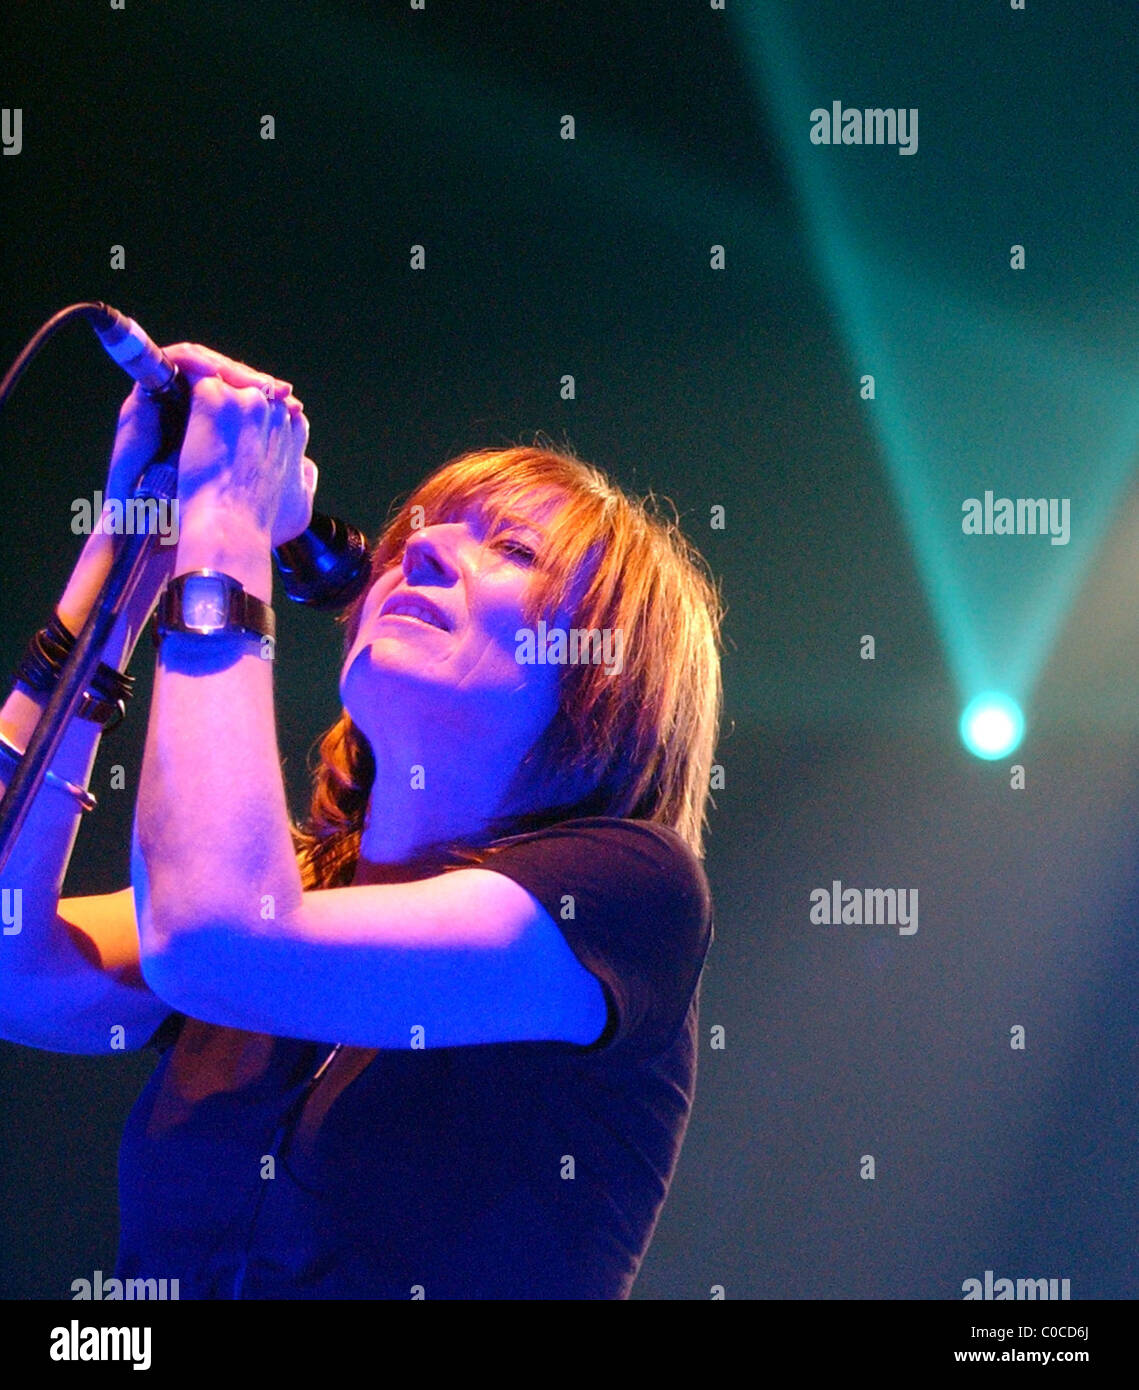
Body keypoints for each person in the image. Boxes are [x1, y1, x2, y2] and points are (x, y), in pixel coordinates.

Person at [0, 343, 723, 1299]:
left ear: (604, 675)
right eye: (423, 529)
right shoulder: (298, 881)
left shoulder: (633, 896)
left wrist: (225, 527)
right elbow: (16, 965)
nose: (420, 545)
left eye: (508, 548)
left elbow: (218, 941)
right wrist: (127, 561)